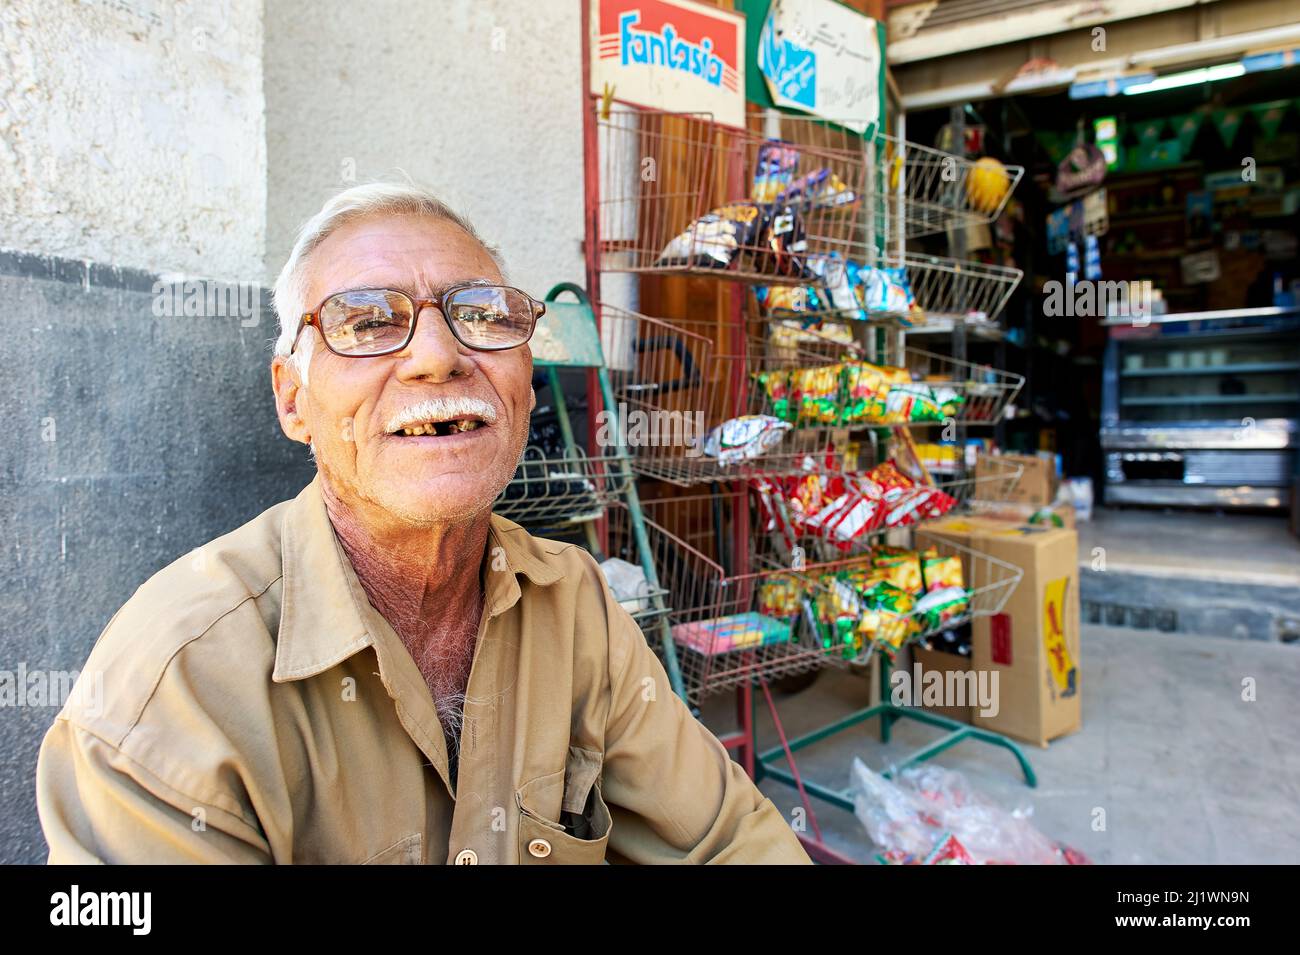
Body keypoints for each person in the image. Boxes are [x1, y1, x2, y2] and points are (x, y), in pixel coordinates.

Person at [35, 182, 812, 865]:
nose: (438, 357)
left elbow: (724, 840)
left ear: (527, 388)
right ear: (294, 400)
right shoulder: (177, 685)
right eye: (368, 322)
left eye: (482, 315)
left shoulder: (574, 605)